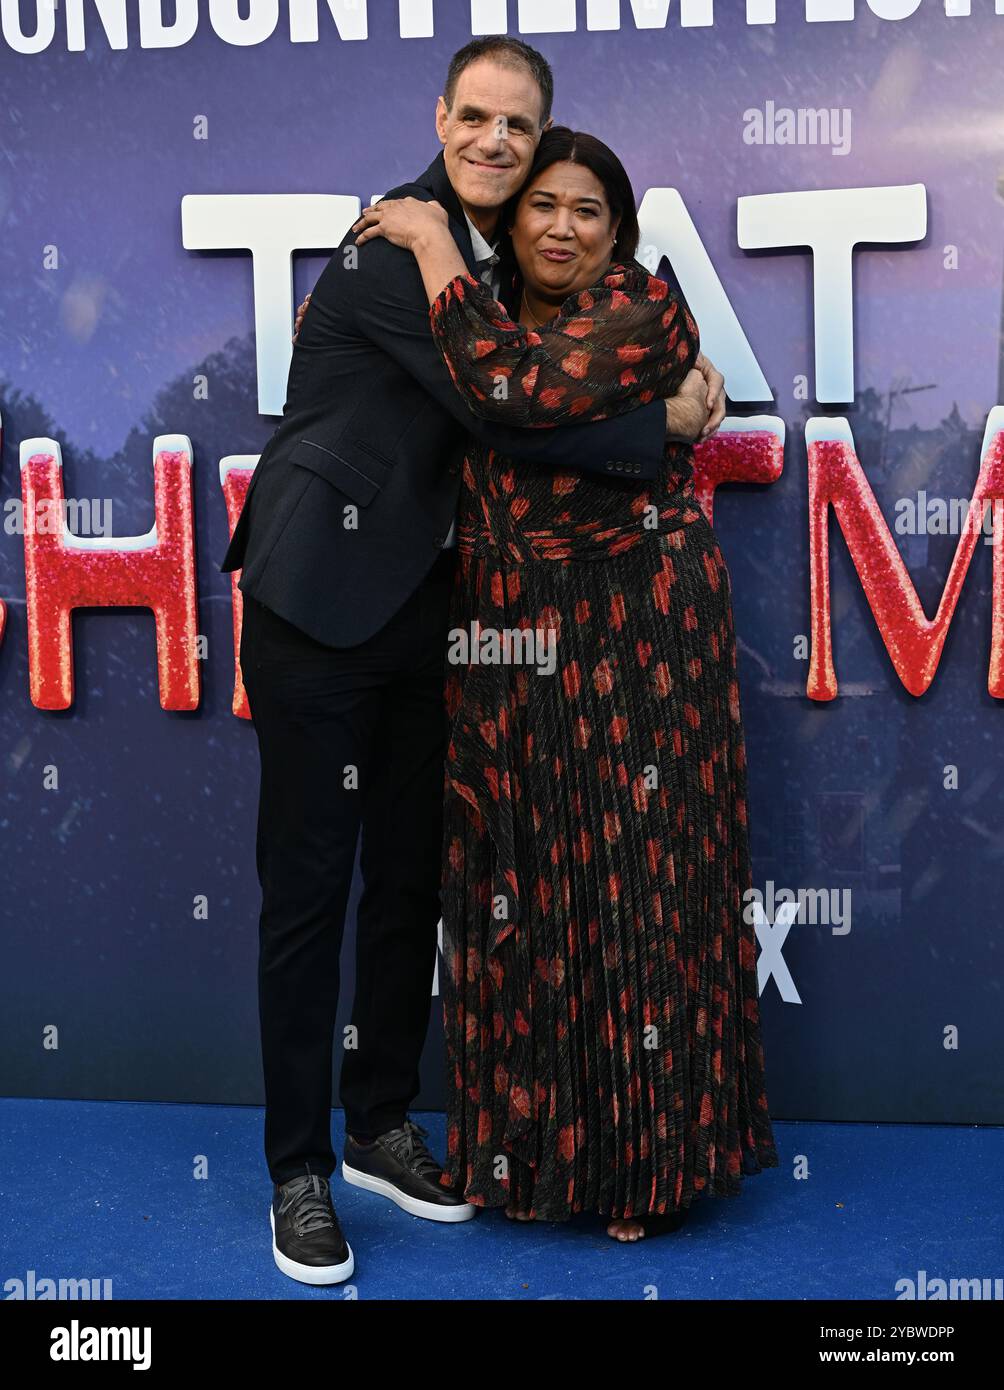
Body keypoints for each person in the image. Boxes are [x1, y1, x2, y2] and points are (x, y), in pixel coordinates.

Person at [225, 37, 727, 1284]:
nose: (499, 143)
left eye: (522, 124)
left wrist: (659, 367)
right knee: (306, 896)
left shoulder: (496, 261)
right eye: (479, 119)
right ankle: (295, 1169)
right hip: (313, 596)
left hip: (428, 609)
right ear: (439, 118)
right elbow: (504, 399)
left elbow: (540, 378)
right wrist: (660, 414)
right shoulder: (401, 244)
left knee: (411, 878)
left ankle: (379, 1123)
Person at [347, 125, 779, 1242]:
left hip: (635, 625)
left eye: (586, 209)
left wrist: (432, 238)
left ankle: (642, 1166)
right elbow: (485, 403)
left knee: (633, 889)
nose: (560, 225)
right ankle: (521, 1156)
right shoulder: (485, 307)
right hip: (502, 633)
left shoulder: (640, 312)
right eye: (540, 203)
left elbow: (512, 394)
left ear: (618, 230)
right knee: (517, 889)